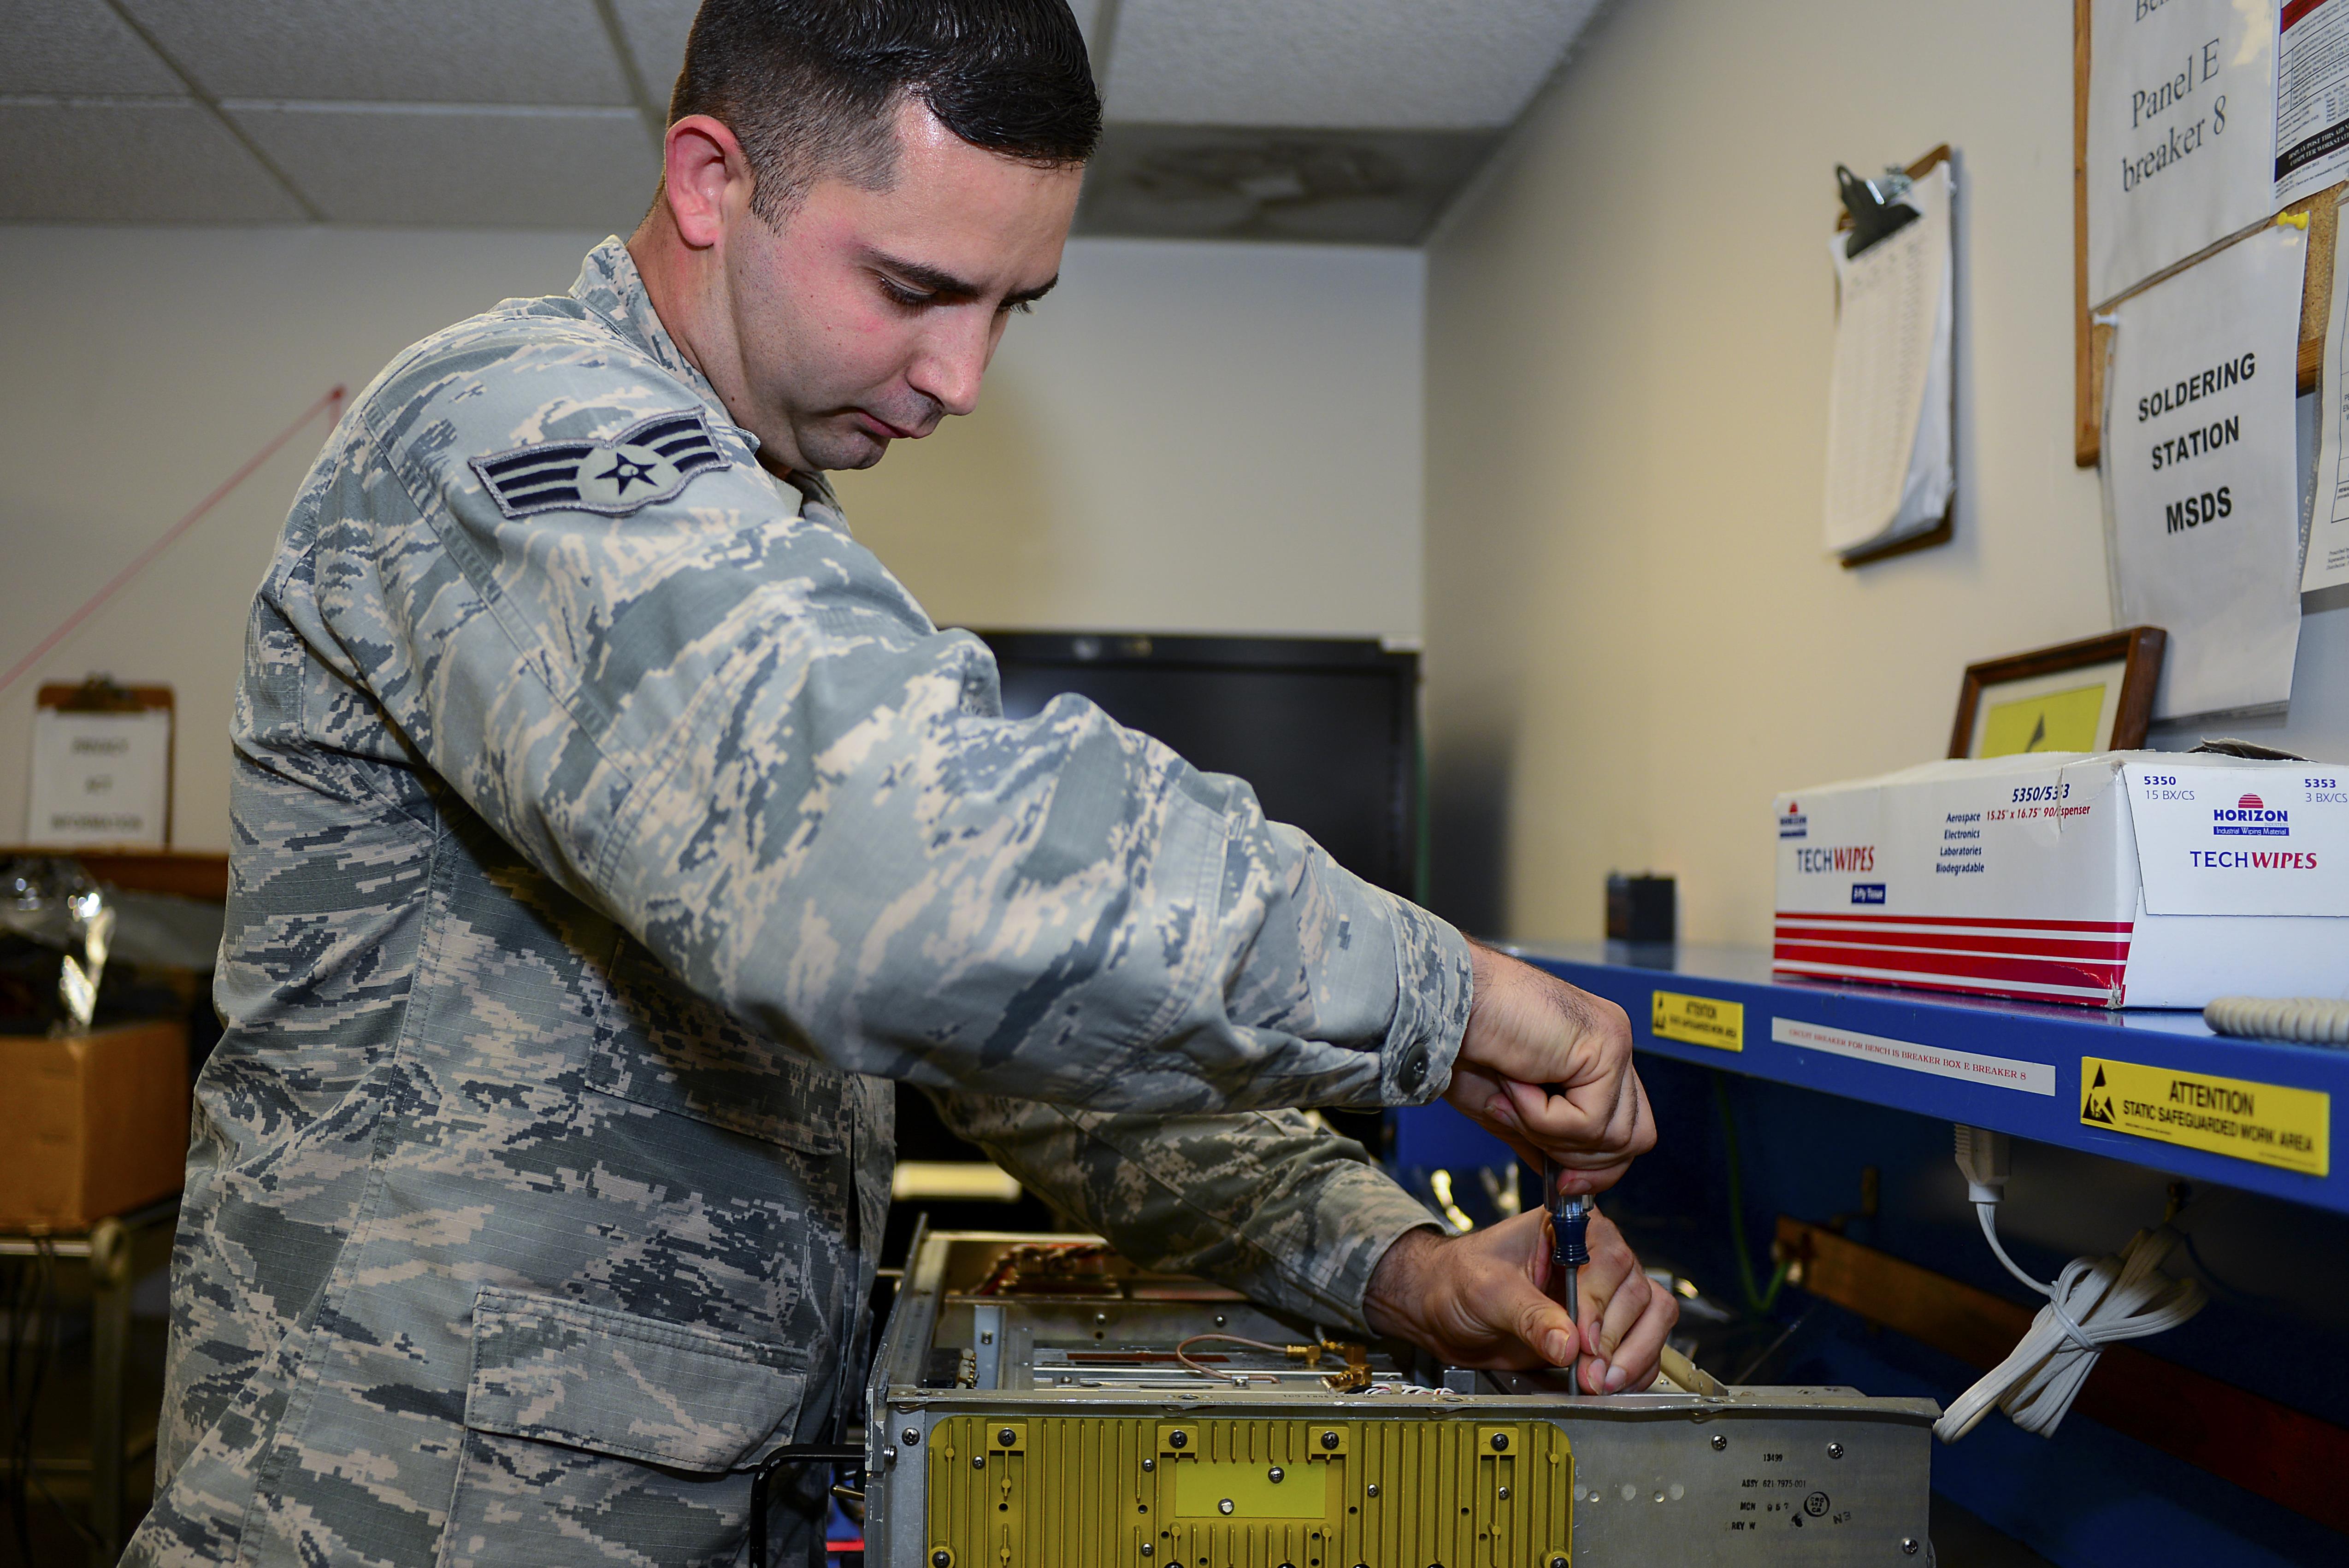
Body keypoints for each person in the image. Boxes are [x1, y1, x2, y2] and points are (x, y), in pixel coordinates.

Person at [127, 4, 1670, 1564]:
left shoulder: (784, 547)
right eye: (917, 288)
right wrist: (1437, 992)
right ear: (713, 181)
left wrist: (1397, 1262)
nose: (963, 377)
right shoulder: (508, 427)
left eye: (1014, 308)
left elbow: (1032, 1064)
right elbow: (877, 885)